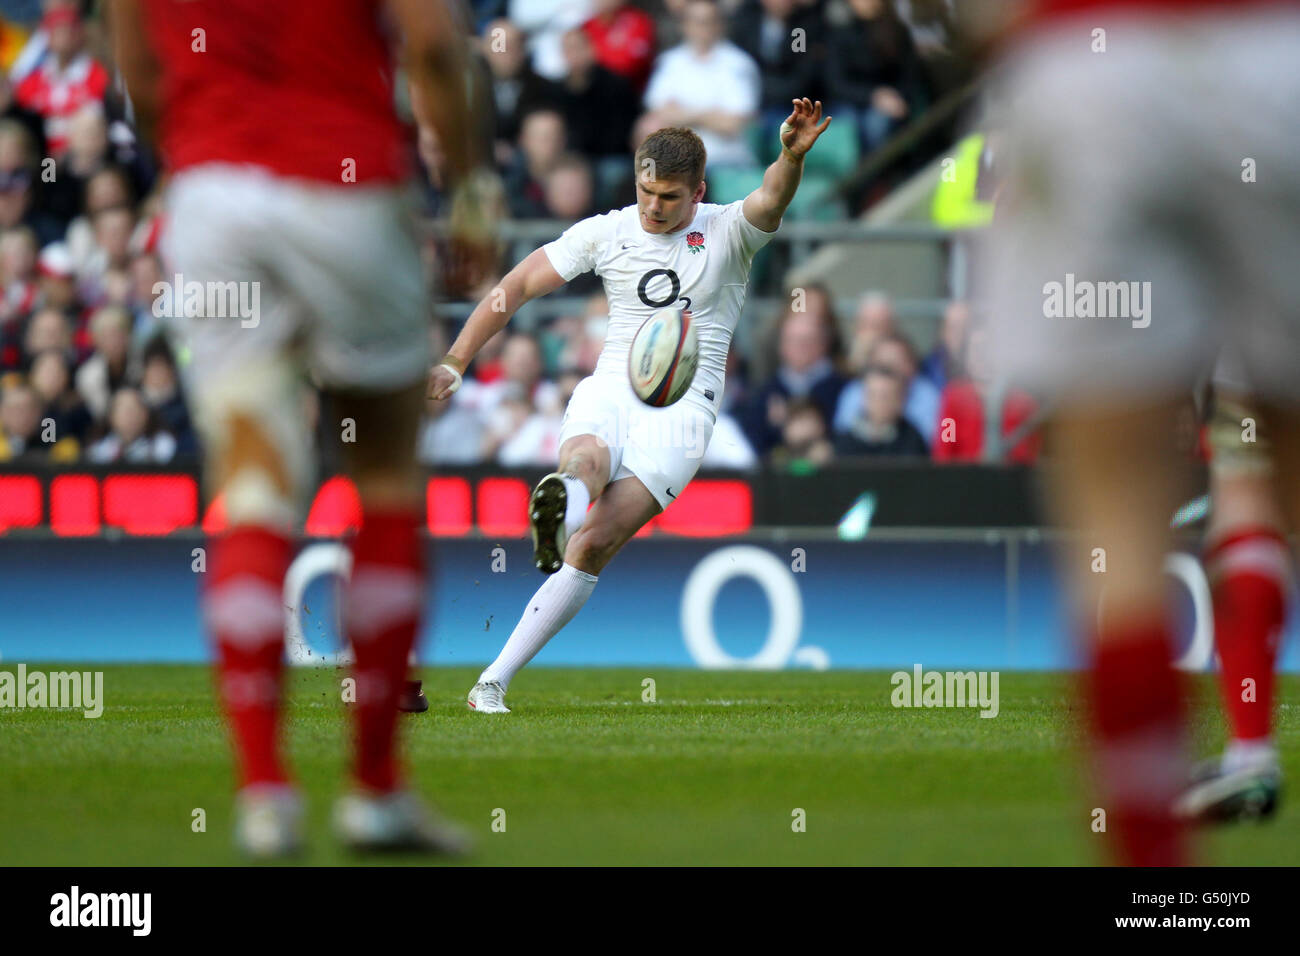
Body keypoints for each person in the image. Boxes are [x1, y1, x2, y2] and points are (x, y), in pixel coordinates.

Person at [111, 0, 495, 858]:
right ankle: (375, 791)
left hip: (210, 199)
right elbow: (434, 47)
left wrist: (198, 158)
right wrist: (471, 185)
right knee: (386, 478)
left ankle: (262, 793)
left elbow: (134, 60)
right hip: (345, 186)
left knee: (251, 486)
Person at [982, 0, 1300, 865]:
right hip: (1271, 60)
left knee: (1117, 522)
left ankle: (1162, 889)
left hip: (1095, 67)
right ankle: (1246, 745)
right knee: (1259, 459)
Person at [429, 98, 832, 713]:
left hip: (682, 412)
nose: (653, 206)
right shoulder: (606, 231)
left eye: (669, 197)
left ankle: (496, 672)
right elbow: (516, 286)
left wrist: (789, 156)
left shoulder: (729, 232)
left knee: (595, 545)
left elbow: (771, 199)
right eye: (646, 190)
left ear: (698, 191)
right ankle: (558, 508)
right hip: (612, 387)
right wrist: (456, 360)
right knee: (583, 461)